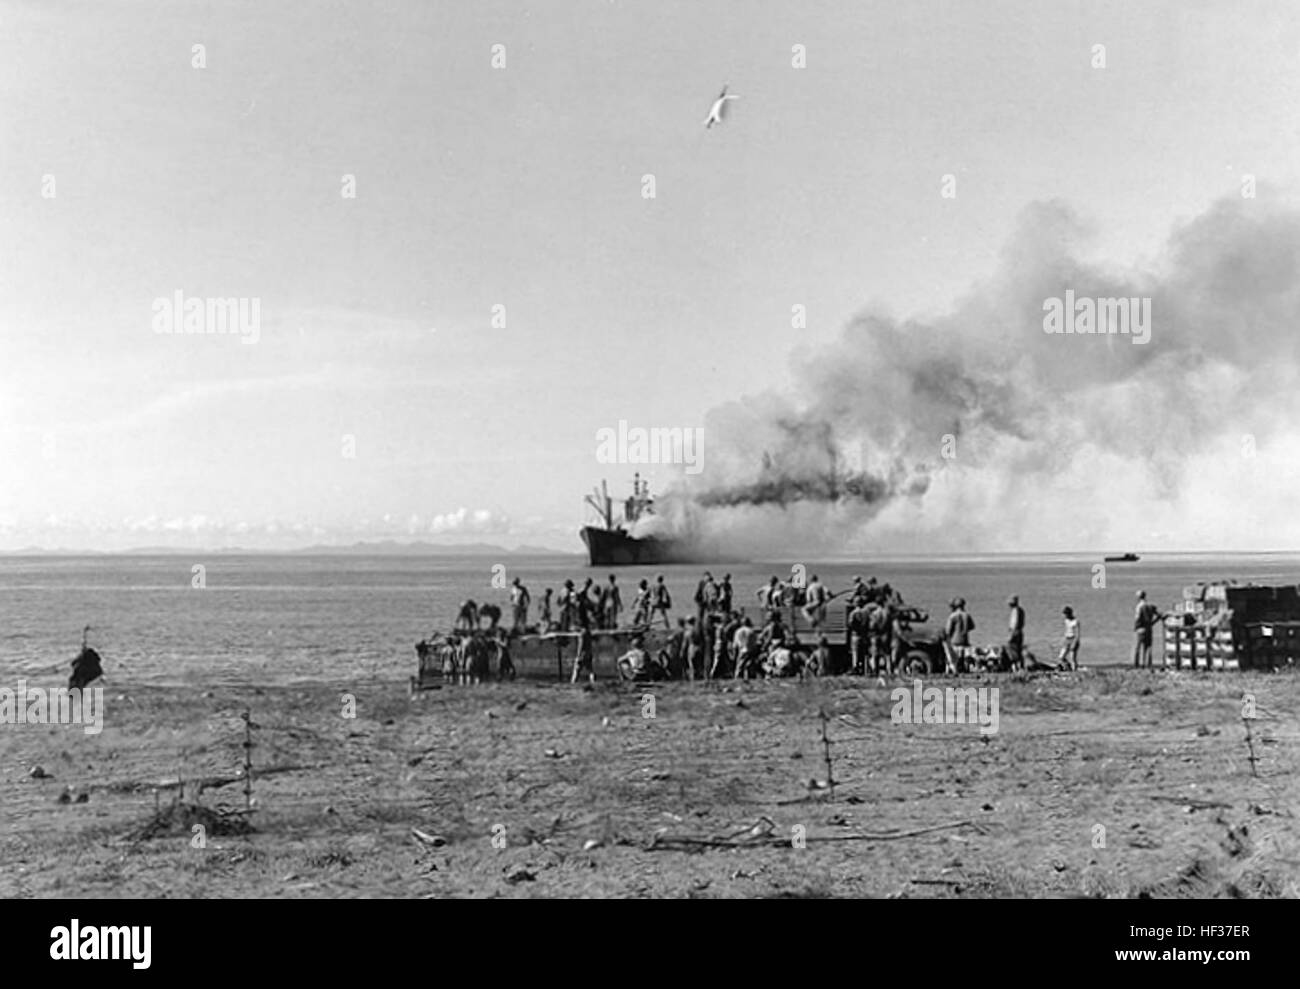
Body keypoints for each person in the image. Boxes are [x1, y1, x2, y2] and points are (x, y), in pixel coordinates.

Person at [944, 597, 975, 674]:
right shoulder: (967, 615)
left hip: (955, 641)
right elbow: (972, 627)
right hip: (965, 640)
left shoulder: (953, 616)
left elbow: (948, 630)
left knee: (954, 661)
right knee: (965, 660)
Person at [1133, 591, 1163, 668]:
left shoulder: (1139, 606)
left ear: (1138, 597)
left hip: (1140, 629)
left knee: (1137, 648)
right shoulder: (1150, 606)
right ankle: (1147, 664)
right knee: (1148, 647)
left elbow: (1137, 618)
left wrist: (1135, 628)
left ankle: (1136, 665)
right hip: (1149, 629)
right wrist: (1153, 623)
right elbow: (1160, 615)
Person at [848, 600, 871, 675]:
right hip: (864, 635)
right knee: (864, 653)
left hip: (856, 635)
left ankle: (855, 668)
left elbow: (850, 623)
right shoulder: (866, 613)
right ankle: (865, 669)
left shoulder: (853, 613)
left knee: (855, 653)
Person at [1006, 595, 1026, 671]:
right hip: (1019, 632)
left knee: (1011, 648)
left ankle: (1015, 666)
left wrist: (1012, 634)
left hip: (1015, 632)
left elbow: (1015, 623)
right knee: (1018, 650)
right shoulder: (1020, 610)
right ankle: (1021, 666)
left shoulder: (1015, 611)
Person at [1059, 606, 1080, 670]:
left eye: (1065, 614)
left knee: (1072, 658)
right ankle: (1067, 667)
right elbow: (1066, 630)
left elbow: (1077, 633)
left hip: (1073, 639)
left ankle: (1074, 670)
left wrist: (1075, 642)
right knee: (1061, 657)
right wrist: (1063, 639)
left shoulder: (1075, 621)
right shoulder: (1066, 620)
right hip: (1067, 639)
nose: (1064, 616)